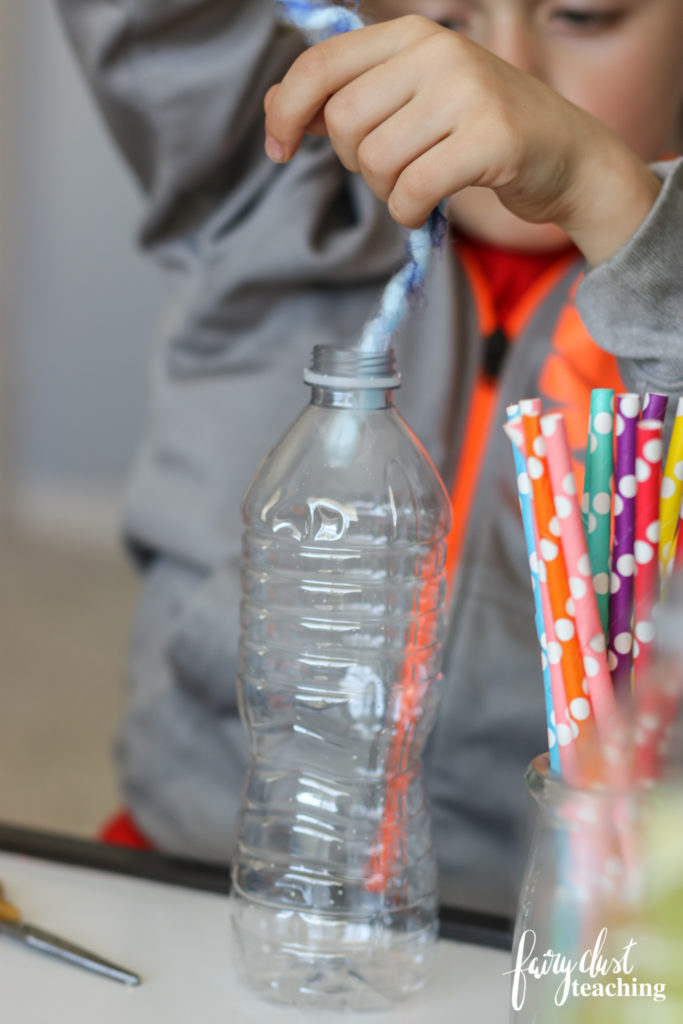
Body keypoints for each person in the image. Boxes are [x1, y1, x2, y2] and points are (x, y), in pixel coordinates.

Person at [56, 0, 682, 916]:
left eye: (580, 16)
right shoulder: (265, 180)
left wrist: (604, 191)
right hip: (190, 871)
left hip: (555, 934)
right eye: (446, 23)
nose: (505, 75)